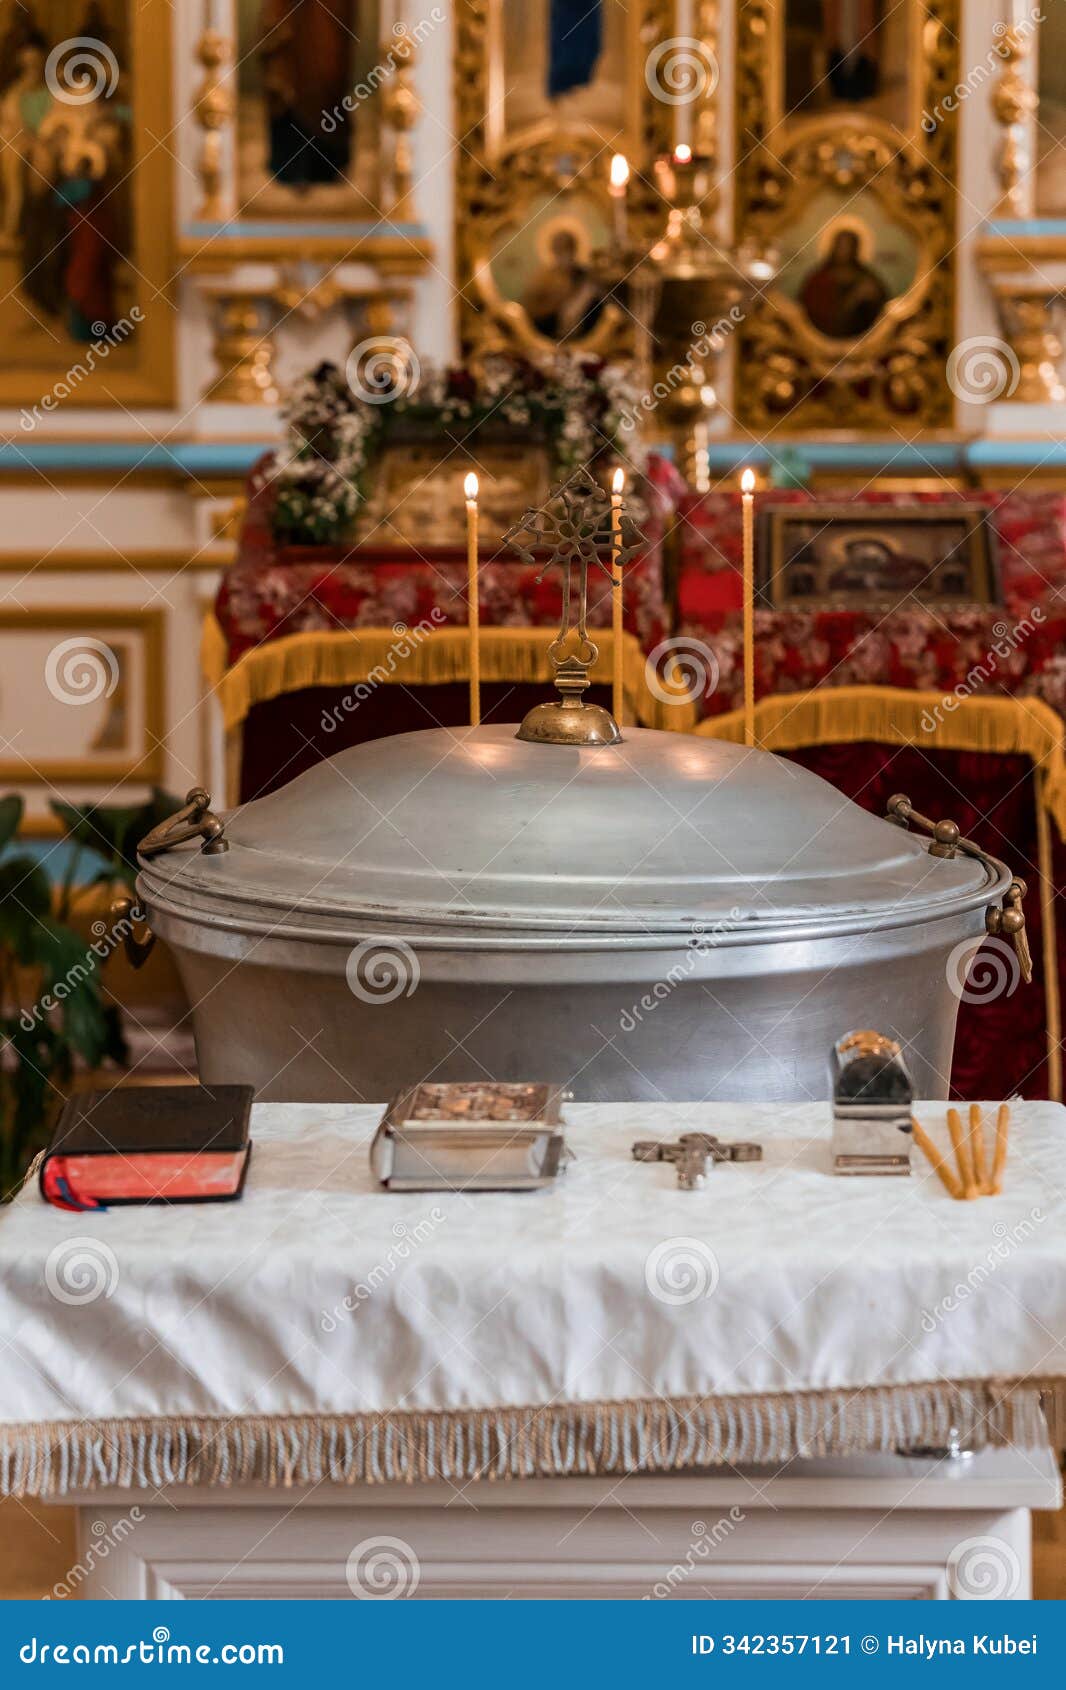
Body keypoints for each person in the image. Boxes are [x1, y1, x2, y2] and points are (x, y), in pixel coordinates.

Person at [799, 228, 888, 338]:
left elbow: (883, 311)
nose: (844, 250)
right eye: (840, 245)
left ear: (856, 248)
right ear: (833, 246)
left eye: (848, 245)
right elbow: (813, 316)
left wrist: (875, 298)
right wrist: (853, 298)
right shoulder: (819, 278)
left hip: (862, 339)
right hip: (826, 339)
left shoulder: (866, 276)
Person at [523, 228, 605, 341]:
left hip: (583, 337)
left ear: (575, 249)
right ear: (552, 250)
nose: (563, 254)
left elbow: (596, 309)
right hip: (548, 334)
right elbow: (532, 311)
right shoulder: (544, 278)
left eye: (567, 248)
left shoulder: (587, 277)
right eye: (558, 248)